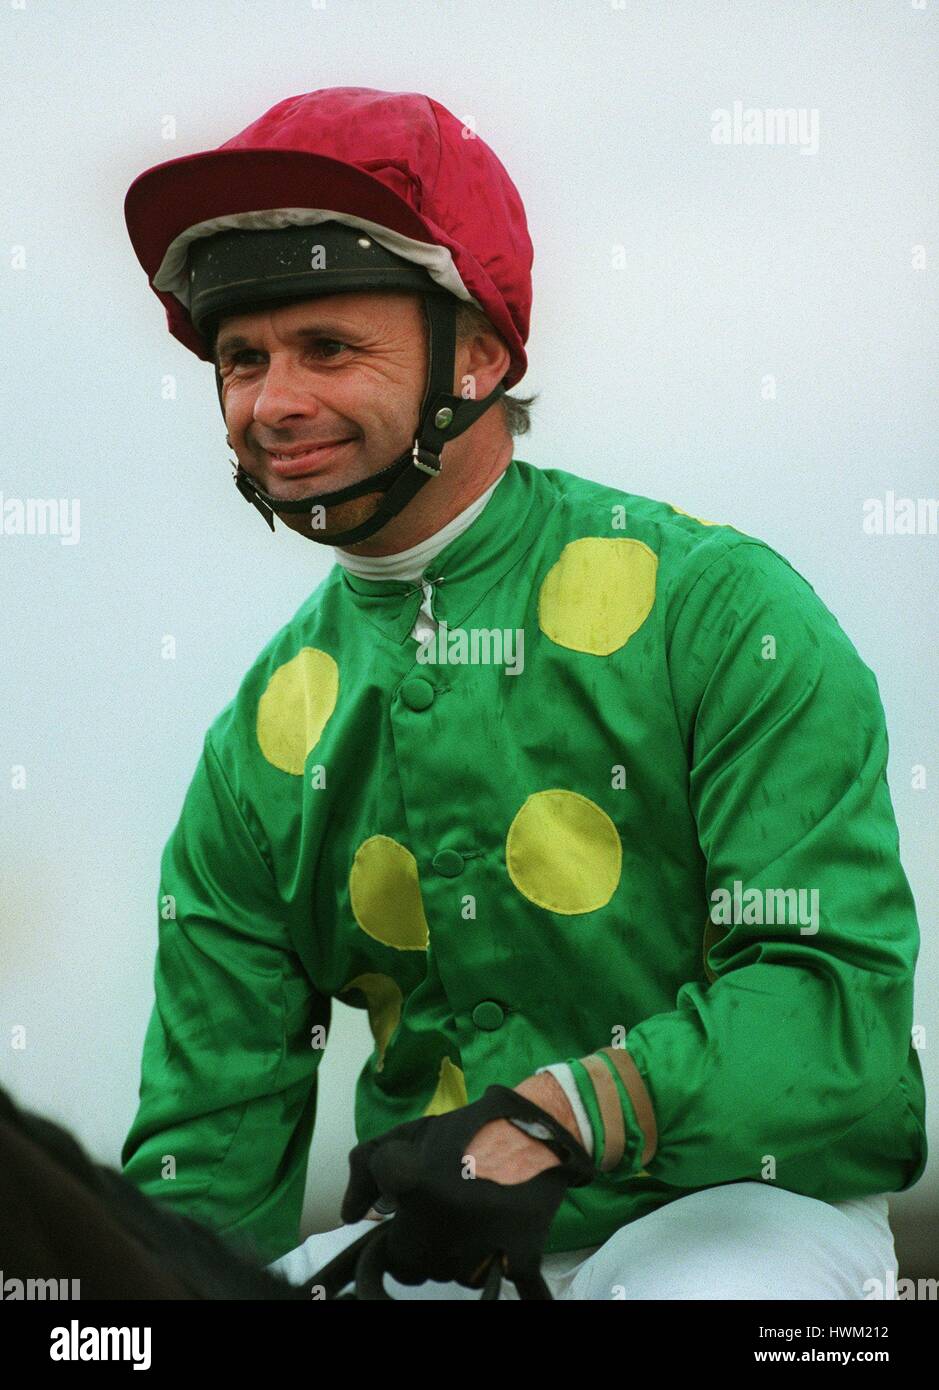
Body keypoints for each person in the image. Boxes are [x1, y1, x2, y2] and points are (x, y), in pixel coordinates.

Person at [120, 85, 927, 1300]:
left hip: (743, 1219)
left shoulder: (722, 611)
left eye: (326, 348)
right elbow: (208, 1144)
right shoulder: (256, 741)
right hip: (437, 1243)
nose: (268, 403)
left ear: (483, 353)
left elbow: (836, 1025)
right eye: (242, 358)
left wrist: (558, 1115)